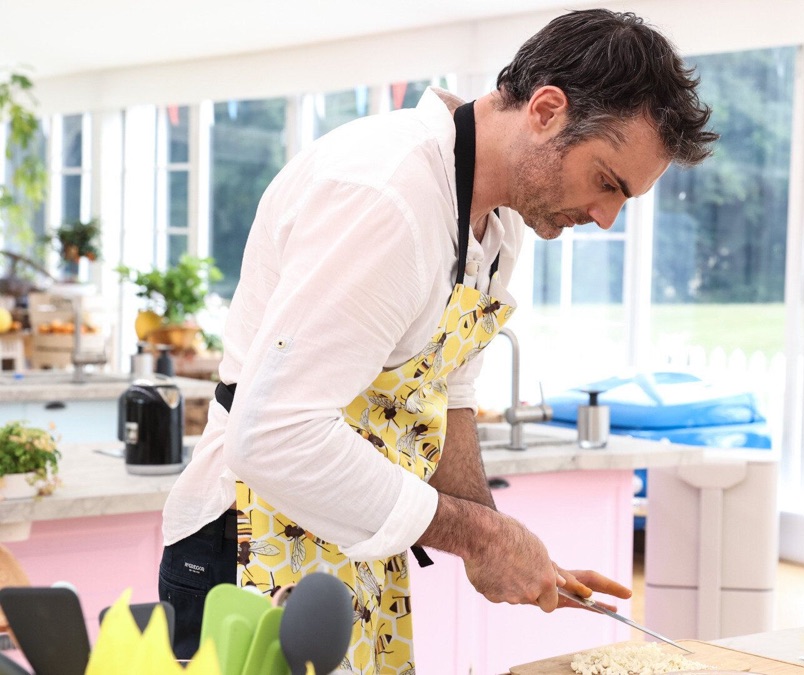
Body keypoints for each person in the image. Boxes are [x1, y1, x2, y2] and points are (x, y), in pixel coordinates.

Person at [156, 8, 717, 671]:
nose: (604, 217)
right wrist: (481, 535)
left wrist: (497, 538)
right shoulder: (385, 197)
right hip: (248, 545)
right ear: (546, 111)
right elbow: (274, 433)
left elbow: (448, 388)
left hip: (351, 550)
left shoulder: (498, 224)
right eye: (605, 182)